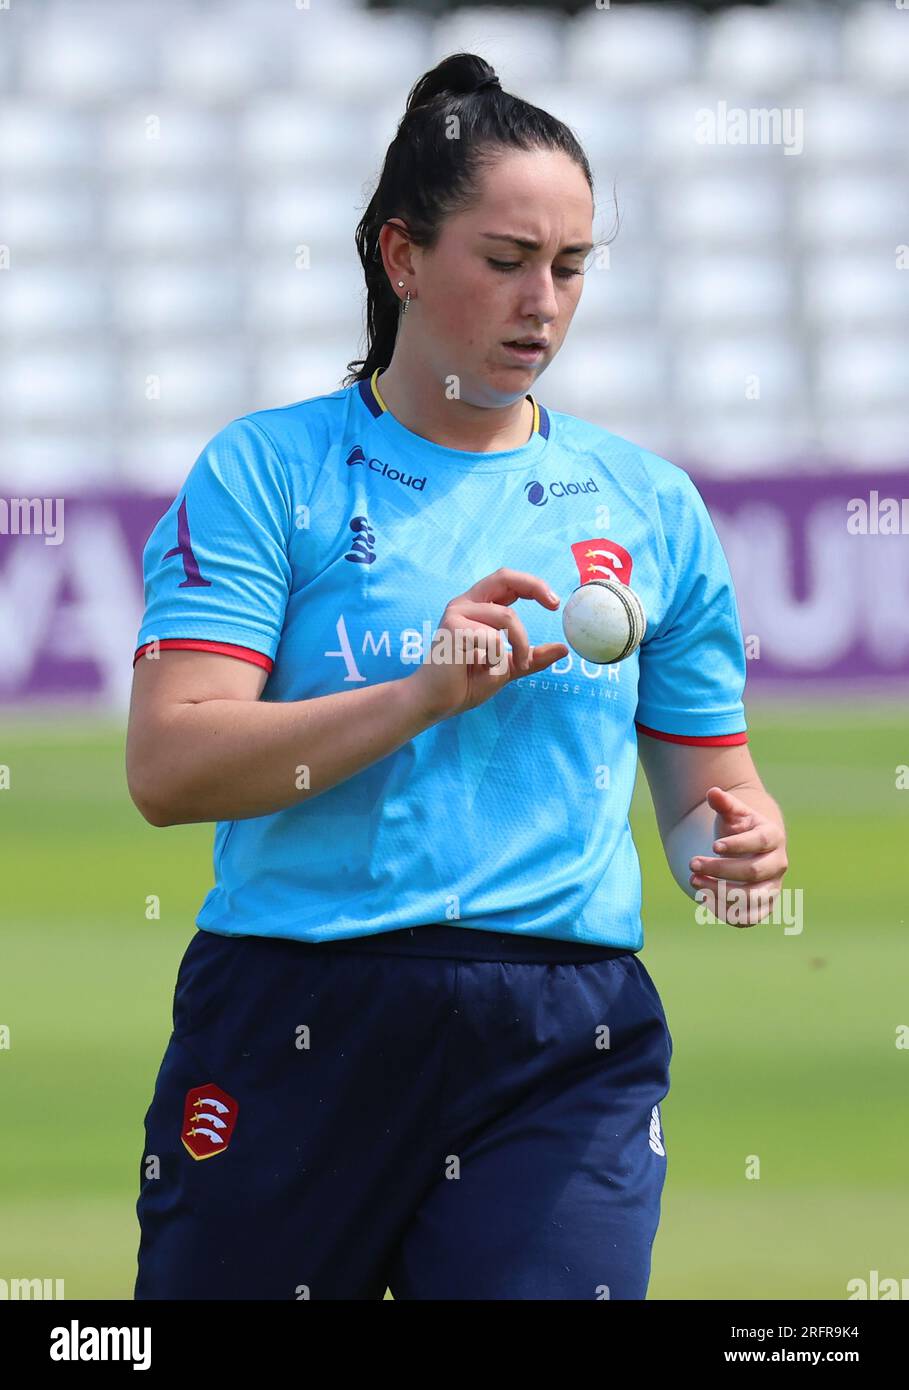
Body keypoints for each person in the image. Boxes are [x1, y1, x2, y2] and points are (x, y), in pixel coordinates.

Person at [126, 52, 788, 1301]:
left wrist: (740, 847)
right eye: (505, 259)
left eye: (572, 266)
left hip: (562, 1037)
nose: (542, 300)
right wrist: (420, 695)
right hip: (295, 1016)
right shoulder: (271, 472)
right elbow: (169, 766)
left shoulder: (652, 506)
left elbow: (713, 797)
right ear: (402, 258)